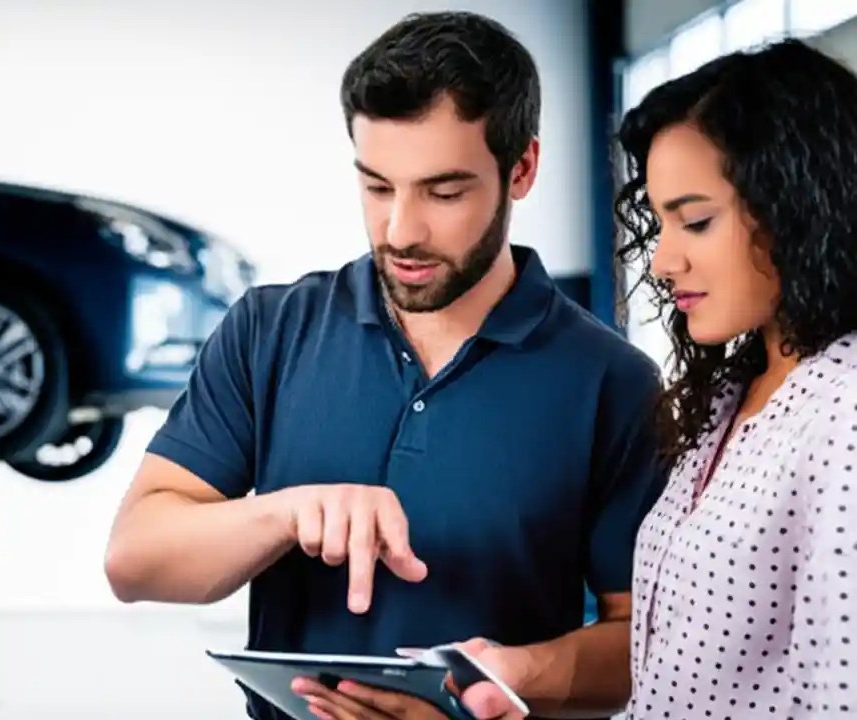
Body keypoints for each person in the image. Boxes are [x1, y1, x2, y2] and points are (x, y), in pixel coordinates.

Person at [105, 11, 665, 720]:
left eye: (444, 192)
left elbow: (640, 645)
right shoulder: (269, 330)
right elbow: (135, 561)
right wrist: (285, 513)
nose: (402, 230)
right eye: (377, 187)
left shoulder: (613, 382)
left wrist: (505, 680)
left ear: (521, 169)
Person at [613, 38, 857, 719]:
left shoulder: (843, 417)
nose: (662, 261)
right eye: (660, 222)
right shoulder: (733, 394)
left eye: (695, 221)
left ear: (797, 209)